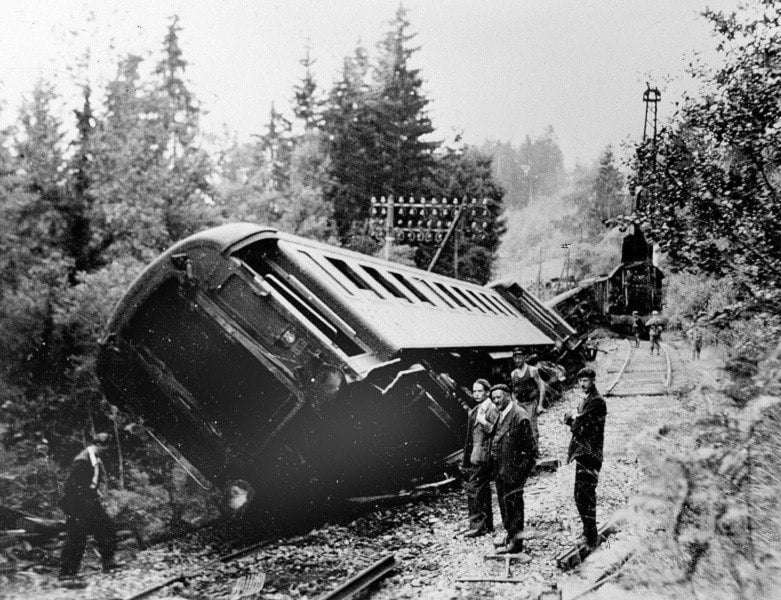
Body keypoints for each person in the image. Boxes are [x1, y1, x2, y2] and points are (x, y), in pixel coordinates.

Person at [59, 433, 121, 579]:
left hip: (90, 498)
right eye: (105, 447)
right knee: (76, 535)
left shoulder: (95, 458)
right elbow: (71, 485)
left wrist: (95, 492)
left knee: (106, 526)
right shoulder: (82, 459)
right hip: (78, 502)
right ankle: (67, 573)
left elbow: (93, 479)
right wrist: (78, 504)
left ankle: (108, 560)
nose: (106, 450)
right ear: (98, 445)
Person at [488, 384, 537, 554]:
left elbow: (531, 450)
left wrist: (520, 473)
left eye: (499, 397)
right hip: (502, 470)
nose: (496, 401)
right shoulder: (502, 414)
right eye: (493, 398)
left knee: (514, 507)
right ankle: (511, 536)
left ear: (508, 396)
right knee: (505, 506)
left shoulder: (519, 415)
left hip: (513, 472)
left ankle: (516, 545)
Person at [564, 368, 607, 548]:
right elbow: (574, 419)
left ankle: (590, 536)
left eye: (586, 381)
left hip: (590, 455)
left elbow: (577, 425)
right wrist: (573, 417)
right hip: (584, 454)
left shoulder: (596, 401)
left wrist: (571, 418)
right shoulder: (587, 400)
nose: (582, 384)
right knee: (581, 495)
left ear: (593, 380)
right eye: (580, 381)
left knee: (584, 496)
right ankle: (589, 532)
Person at [461, 379, 499, 537]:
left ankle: (477, 526)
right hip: (476, 453)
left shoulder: (491, 408)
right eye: (474, 391)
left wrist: (484, 422)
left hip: (483, 454)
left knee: (474, 488)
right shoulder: (478, 408)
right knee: (482, 489)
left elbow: (496, 430)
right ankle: (486, 525)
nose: (476, 394)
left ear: (487, 392)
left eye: (480, 391)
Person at [510, 349, 546, 451]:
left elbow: (541, 387)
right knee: (520, 427)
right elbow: (513, 391)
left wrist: (540, 405)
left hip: (531, 403)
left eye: (519, 357)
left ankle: (535, 450)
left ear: (524, 358)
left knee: (532, 427)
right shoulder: (514, 374)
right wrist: (514, 402)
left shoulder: (532, 370)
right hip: (520, 405)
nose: (517, 360)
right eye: (515, 358)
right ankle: (525, 451)